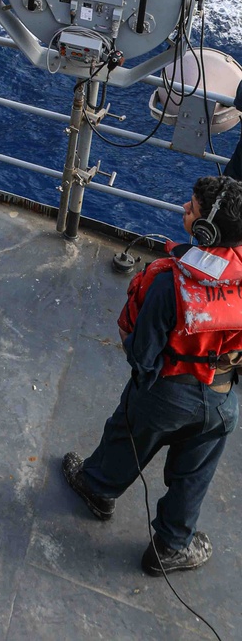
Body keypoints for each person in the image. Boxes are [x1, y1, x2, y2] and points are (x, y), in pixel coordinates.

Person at [63, 177, 242, 575]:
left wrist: (145, 385)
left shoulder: (168, 281)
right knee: (194, 473)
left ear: (204, 230)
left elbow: (142, 352)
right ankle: (172, 547)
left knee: (127, 433)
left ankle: (97, 489)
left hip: (167, 393)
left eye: (191, 207)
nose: (184, 207)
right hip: (221, 398)